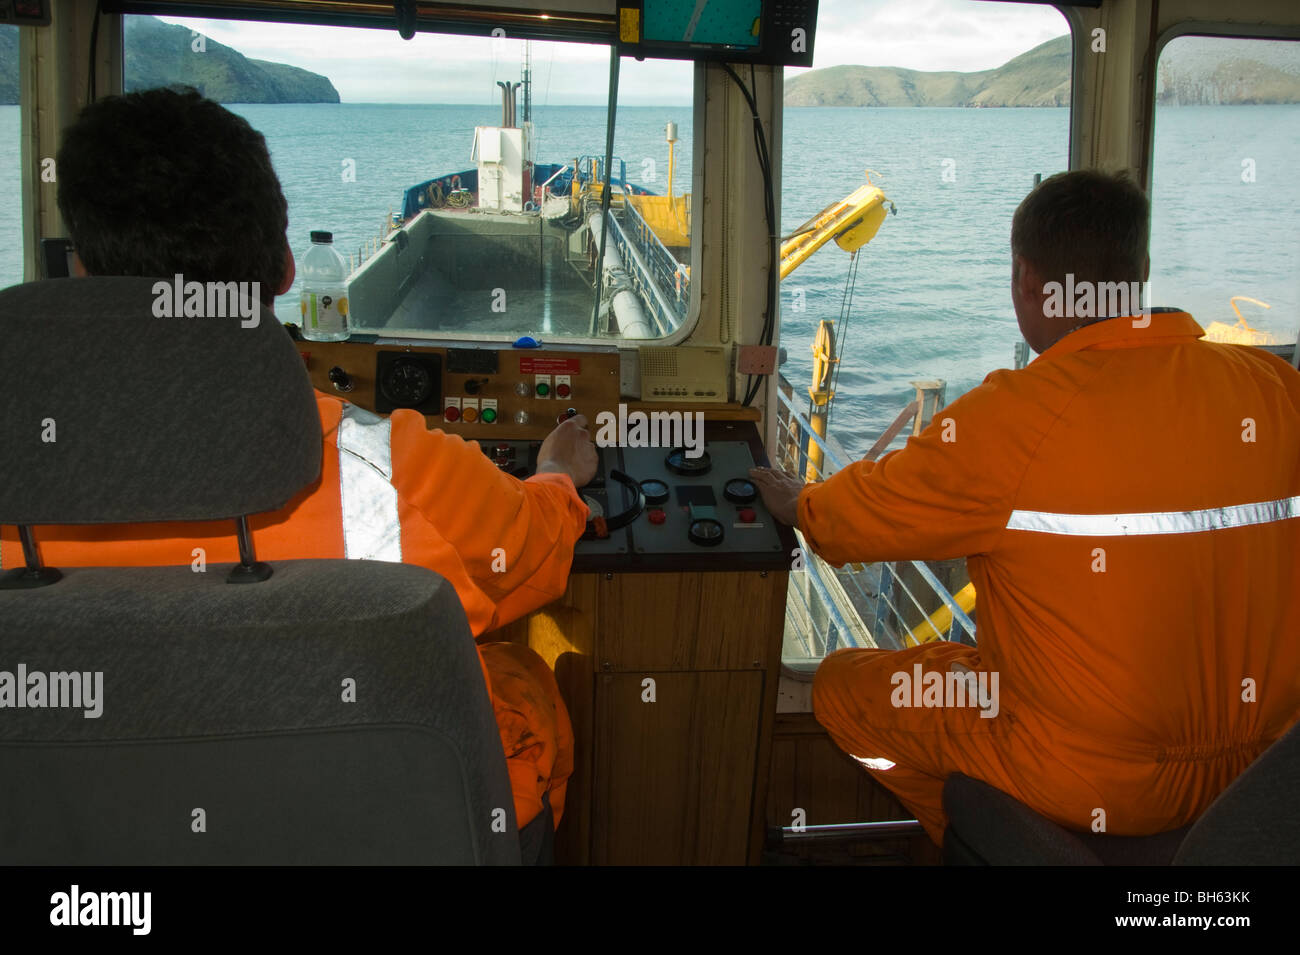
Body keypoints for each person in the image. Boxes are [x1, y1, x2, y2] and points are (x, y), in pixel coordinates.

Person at [0, 87, 597, 837]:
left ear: (78, 273)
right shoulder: (388, 465)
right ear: (285, 270)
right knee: (525, 686)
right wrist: (556, 473)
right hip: (350, 831)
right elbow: (532, 558)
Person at [750, 169, 1300, 844]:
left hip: (1086, 774)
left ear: (1025, 280)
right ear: (1140, 272)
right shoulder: (1277, 388)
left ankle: (967, 837)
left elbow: (846, 524)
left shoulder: (1012, 417)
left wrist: (796, 500)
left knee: (842, 688)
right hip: (1266, 772)